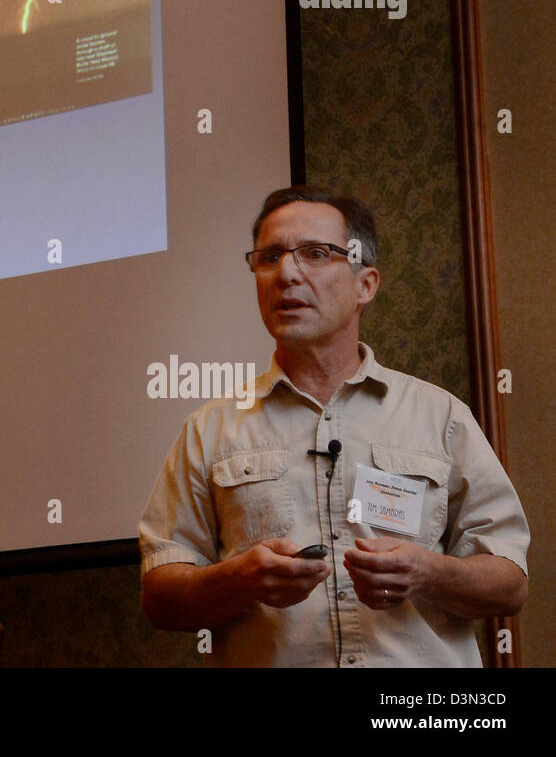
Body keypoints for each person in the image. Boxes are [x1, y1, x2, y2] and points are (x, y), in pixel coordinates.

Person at [138, 185, 529, 667]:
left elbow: (510, 583)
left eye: (315, 254)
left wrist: (427, 572)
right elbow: (159, 599)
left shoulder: (440, 416)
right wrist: (238, 580)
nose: (286, 273)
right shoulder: (208, 430)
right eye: (269, 257)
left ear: (366, 283)